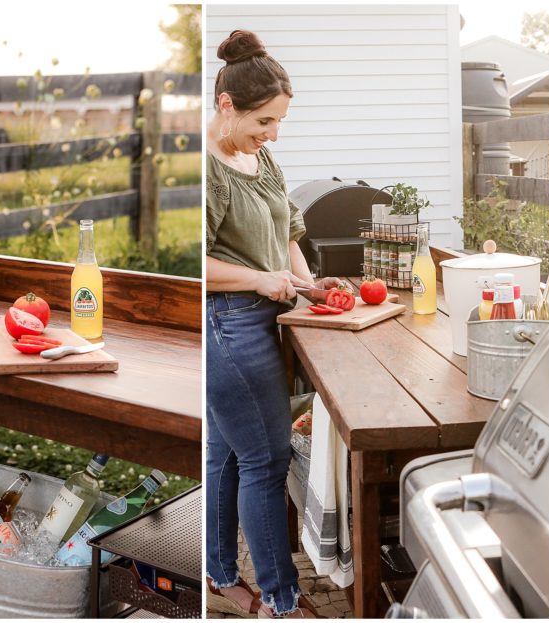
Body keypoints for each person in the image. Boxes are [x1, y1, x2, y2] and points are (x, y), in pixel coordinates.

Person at [205, 30, 340, 619]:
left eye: (280, 121)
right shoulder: (203, 168)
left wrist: (308, 288)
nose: (273, 134)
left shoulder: (258, 156)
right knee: (267, 460)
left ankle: (217, 572)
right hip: (226, 327)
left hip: (265, 318)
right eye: (265, 121)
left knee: (230, 454)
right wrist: (259, 281)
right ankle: (282, 603)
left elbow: (287, 236)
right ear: (227, 105)